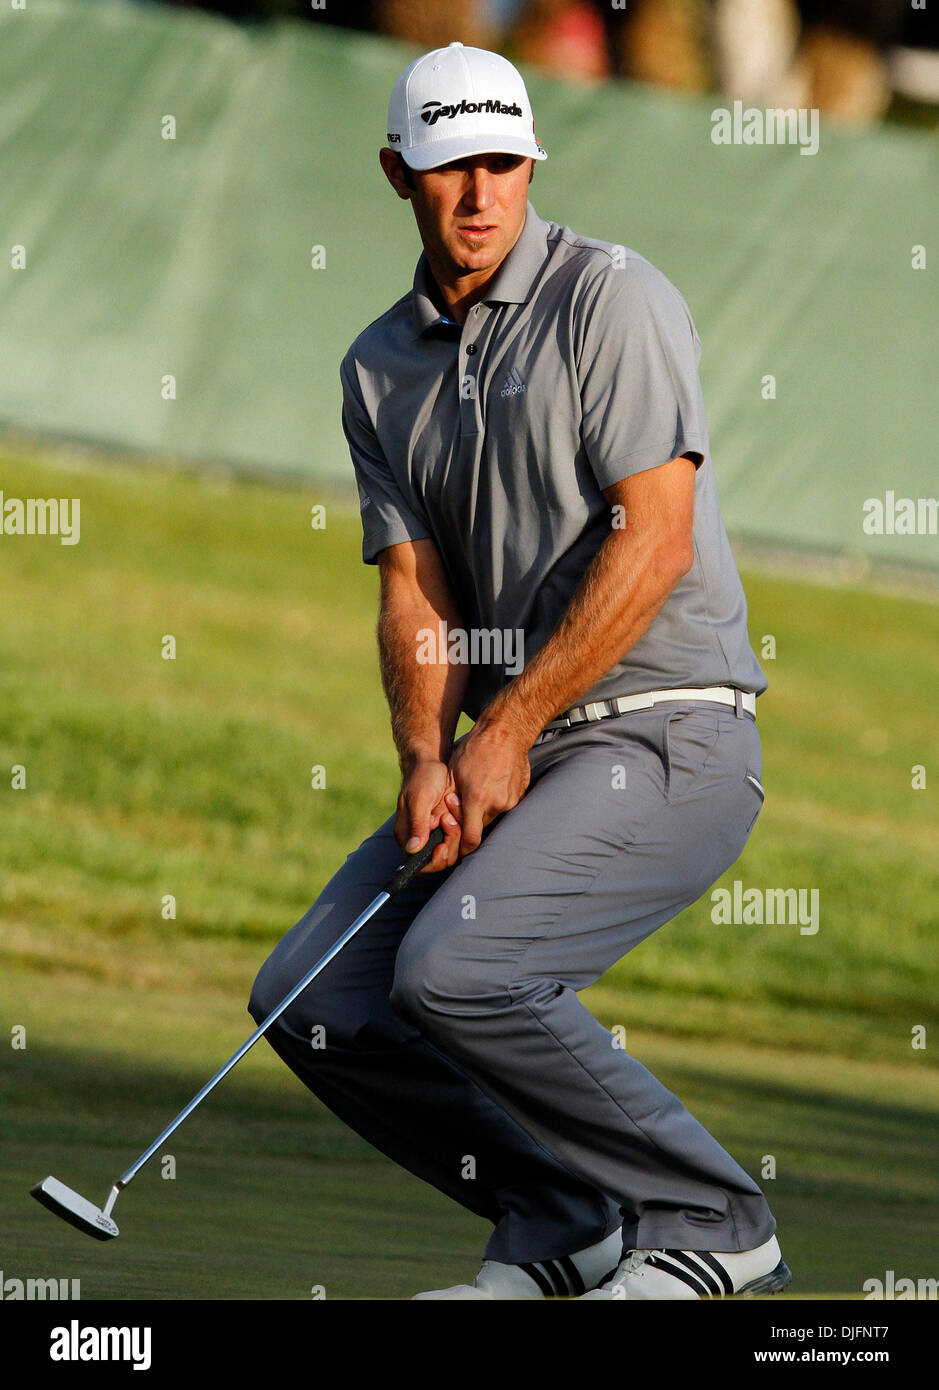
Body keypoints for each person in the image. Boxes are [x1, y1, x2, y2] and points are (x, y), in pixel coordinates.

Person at [249, 40, 791, 1300]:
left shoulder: (613, 299)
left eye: (503, 163)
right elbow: (417, 592)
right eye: (450, 169)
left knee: (458, 968)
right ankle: (563, 1218)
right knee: (312, 993)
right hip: (518, 753)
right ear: (400, 174)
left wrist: (511, 726)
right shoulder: (379, 368)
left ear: (533, 161)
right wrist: (430, 756)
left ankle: (715, 1219)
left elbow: (652, 538)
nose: (482, 194)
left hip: (672, 735)